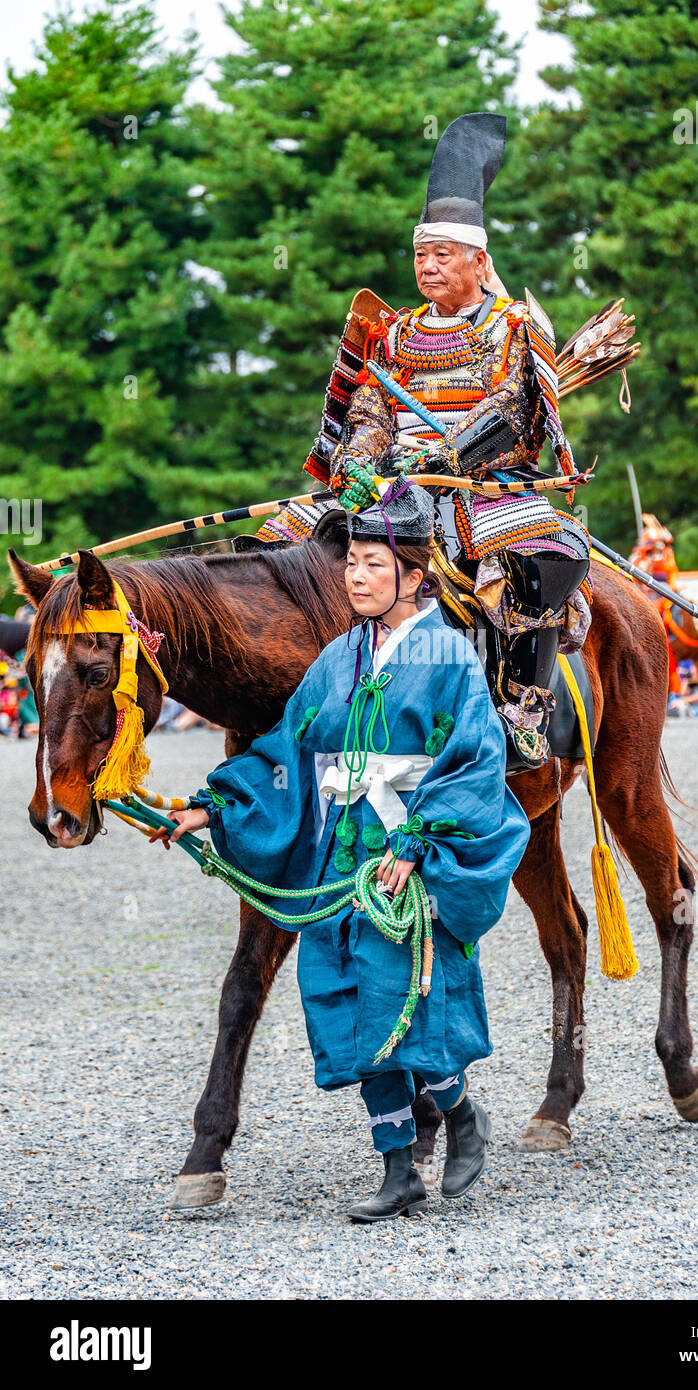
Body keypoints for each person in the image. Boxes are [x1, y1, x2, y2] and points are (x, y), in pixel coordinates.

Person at [152, 482, 532, 1222]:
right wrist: (209, 810)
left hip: (403, 863)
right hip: (341, 865)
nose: (355, 577)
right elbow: (286, 751)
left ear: (414, 578)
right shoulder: (334, 661)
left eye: (371, 564)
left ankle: (461, 1113)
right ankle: (396, 1169)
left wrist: (421, 843)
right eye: (350, 563)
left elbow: (474, 761)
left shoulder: (451, 657)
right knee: (350, 1007)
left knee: (409, 1008)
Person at [251, 113, 593, 769]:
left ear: (479, 260)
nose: (428, 267)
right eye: (420, 254)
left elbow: (511, 408)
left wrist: (446, 455)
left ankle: (526, 707)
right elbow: (372, 407)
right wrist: (355, 461)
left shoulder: (511, 324)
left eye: (443, 255)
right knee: (283, 537)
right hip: (392, 487)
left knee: (546, 554)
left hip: (485, 485)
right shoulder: (396, 332)